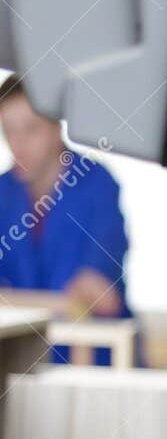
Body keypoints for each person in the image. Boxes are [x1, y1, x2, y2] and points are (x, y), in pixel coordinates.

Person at [0, 73, 132, 345]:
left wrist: (88, 289)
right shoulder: (4, 192)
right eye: (9, 130)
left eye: (31, 128)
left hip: (91, 354)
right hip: (24, 355)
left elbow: (99, 293)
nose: (18, 143)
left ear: (56, 126)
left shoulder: (97, 184)